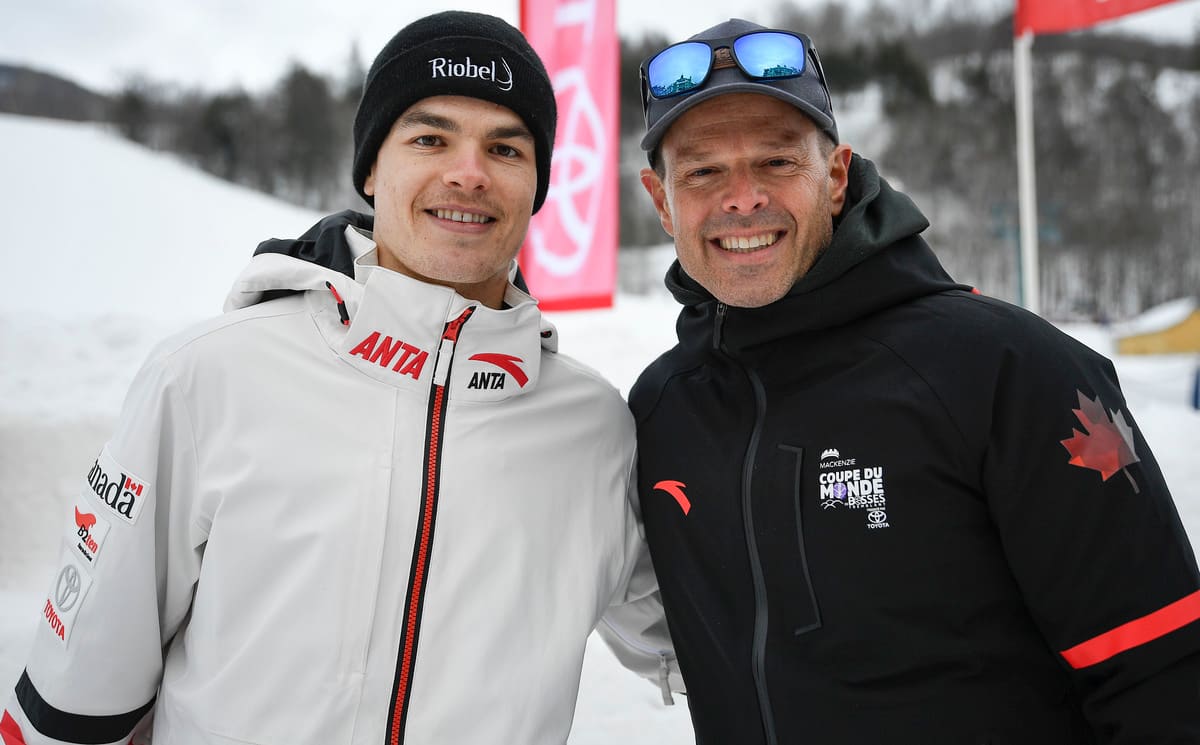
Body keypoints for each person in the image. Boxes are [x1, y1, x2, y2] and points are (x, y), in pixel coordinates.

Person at [3, 11, 677, 745]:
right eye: (429, 138)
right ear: (370, 169)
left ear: (537, 183)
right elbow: (74, 705)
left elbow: (723, 647)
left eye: (506, 147)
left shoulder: (593, 430)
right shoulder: (208, 378)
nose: (469, 172)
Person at [609, 17, 1200, 744]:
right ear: (661, 201)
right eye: (702, 171)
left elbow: (1164, 678)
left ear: (834, 177)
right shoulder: (662, 411)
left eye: (776, 162)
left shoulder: (1011, 370)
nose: (741, 198)